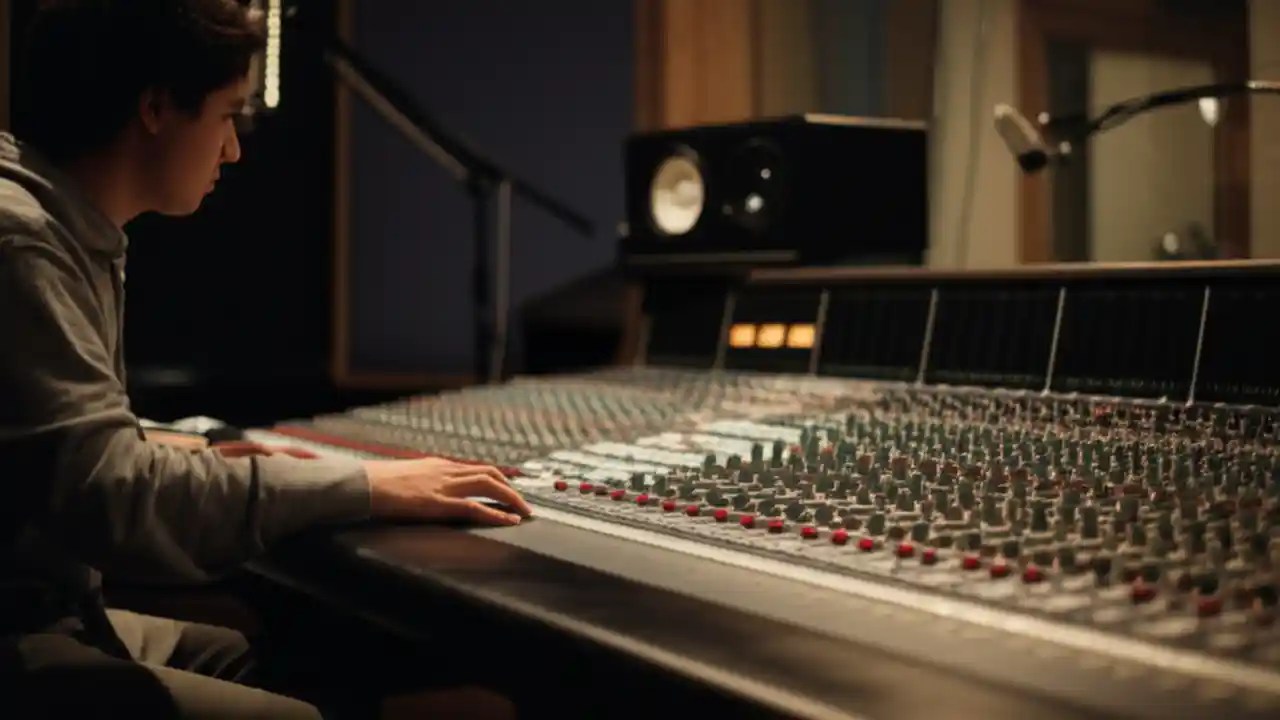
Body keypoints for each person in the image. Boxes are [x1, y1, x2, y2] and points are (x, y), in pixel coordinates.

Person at [0, 1, 532, 717]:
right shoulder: (22, 240)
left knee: (309, 668)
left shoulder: (65, 226)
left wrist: (209, 453)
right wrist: (363, 485)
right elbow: (114, 496)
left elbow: (67, 449)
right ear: (156, 106)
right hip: (20, 636)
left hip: (62, 614)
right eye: (227, 115)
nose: (233, 150)